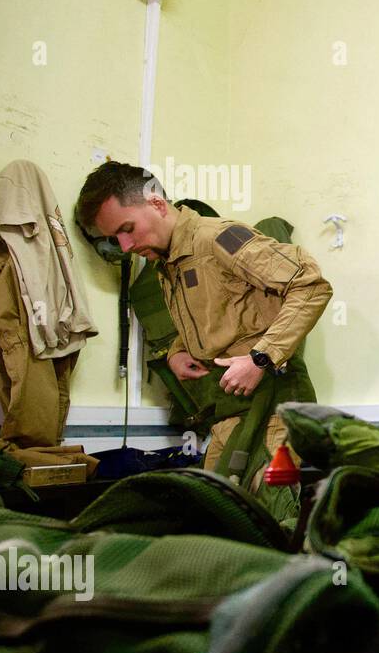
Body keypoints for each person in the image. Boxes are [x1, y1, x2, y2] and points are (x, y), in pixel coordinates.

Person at [76, 162, 330, 491]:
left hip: (275, 405)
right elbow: (211, 316)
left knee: (266, 514)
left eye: (127, 229)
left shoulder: (217, 238)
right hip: (227, 409)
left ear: (156, 203)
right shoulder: (166, 263)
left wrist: (260, 358)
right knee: (219, 509)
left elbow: (310, 286)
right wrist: (177, 353)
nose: (125, 247)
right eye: (115, 237)